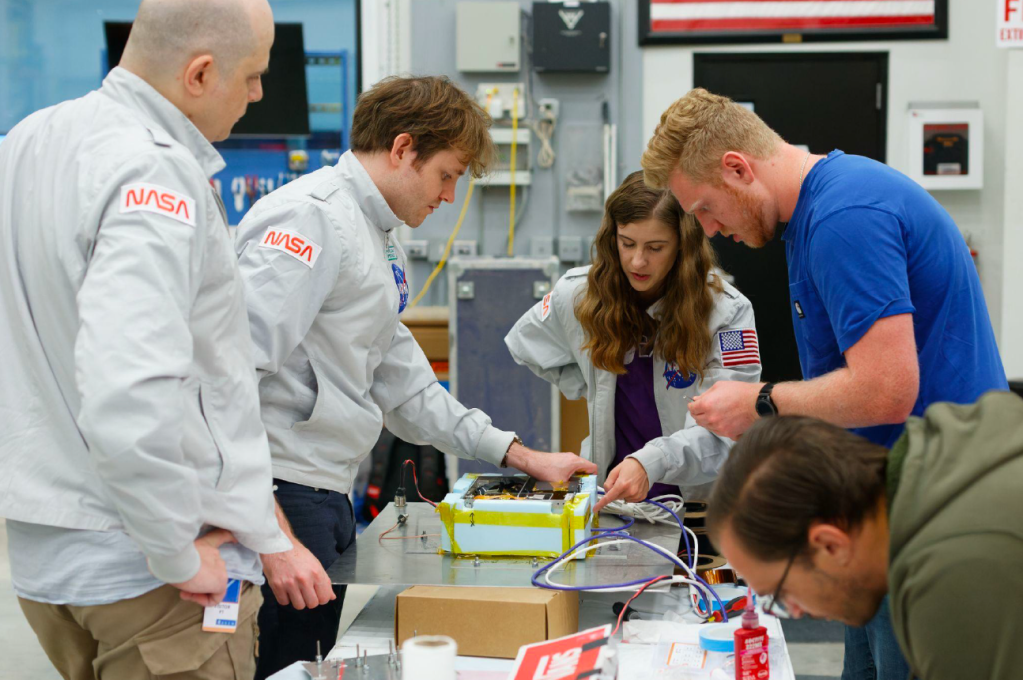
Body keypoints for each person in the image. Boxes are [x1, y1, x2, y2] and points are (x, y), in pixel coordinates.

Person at [234, 74, 598, 678]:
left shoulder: (374, 236)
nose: (450, 196)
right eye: (447, 174)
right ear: (404, 149)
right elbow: (229, 380)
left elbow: (407, 384)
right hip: (278, 495)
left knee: (313, 655)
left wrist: (520, 456)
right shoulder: (310, 220)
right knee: (283, 664)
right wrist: (274, 535)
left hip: (318, 493)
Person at [641, 88, 1008, 680]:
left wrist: (761, 403)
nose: (708, 230)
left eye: (706, 209)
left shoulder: (844, 217)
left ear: (738, 167)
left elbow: (888, 389)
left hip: (930, 513)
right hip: (884, 503)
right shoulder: (818, 214)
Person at [0, 1, 291, 678]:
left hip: (49, 562)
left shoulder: (29, 141)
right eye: (251, 76)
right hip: (153, 576)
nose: (258, 94)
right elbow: (128, 391)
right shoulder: (151, 172)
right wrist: (177, 554)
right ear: (198, 74)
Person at [707, 390, 1023, 680]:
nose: (799, 612)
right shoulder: (934, 454)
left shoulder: (953, 572)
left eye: (782, 596)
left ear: (829, 544)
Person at [505, 171, 761, 515]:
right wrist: (592, 386)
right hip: (612, 502)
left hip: (701, 508)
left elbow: (731, 430)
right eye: (627, 243)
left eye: (655, 248)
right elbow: (525, 343)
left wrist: (651, 461)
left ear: (682, 248)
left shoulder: (726, 312)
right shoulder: (580, 294)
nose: (638, 261)